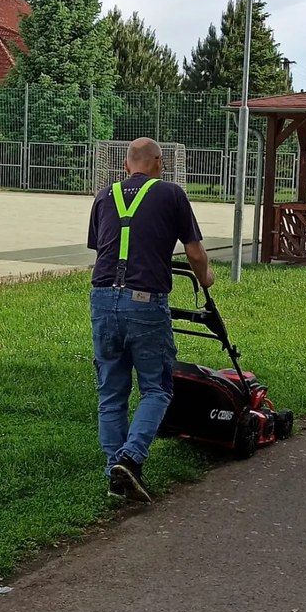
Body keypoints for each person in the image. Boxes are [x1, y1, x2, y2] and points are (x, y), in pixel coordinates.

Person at [87, 138, 214, 503]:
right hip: (144, 301)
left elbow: (103, 247)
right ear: (160, 163)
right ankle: (130, 458)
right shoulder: (172, 194)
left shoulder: (103, 196)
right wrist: (205, 279)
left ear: (126, 166)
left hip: (102, 298)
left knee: (111, 392)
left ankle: (115, 473)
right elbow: (194, 252)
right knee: (157, 388)